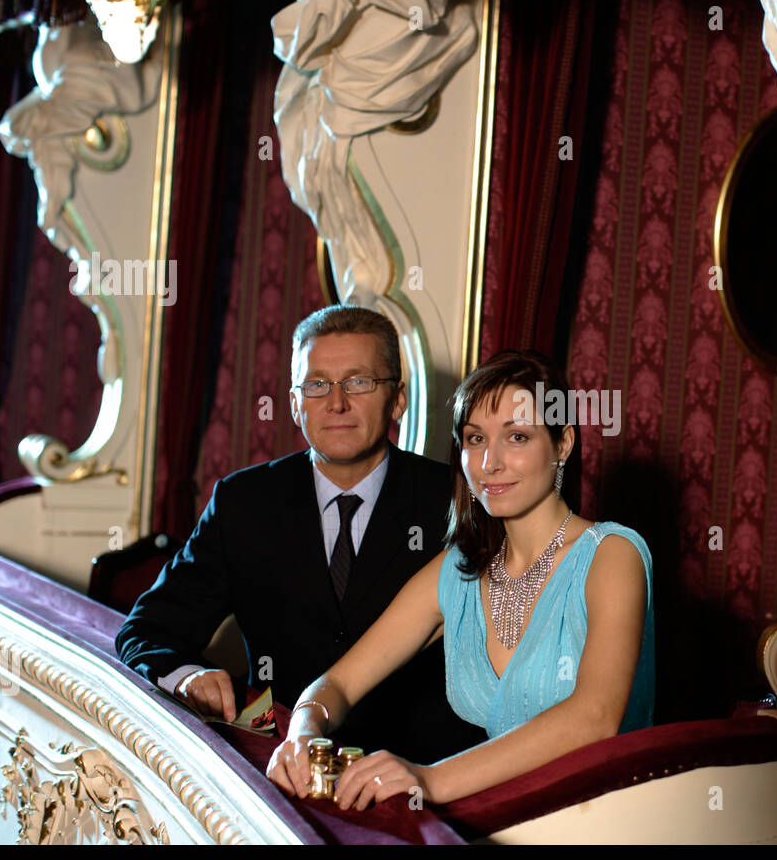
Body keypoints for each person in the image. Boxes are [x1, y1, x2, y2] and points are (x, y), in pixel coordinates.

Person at [266, 350, 655, 809]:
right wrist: (303, 731)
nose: (490, 462)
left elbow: (595, 717)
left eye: (516, 437)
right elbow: (339, 685)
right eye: (475, 438)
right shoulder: (459, 570)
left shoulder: (613, 554)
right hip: (506, 818)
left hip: (608, 821)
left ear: (563, 444)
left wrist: (429, 779)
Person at [115, 306, 485, 763]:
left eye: (359, 382)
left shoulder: (460, 499)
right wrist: (188, 677)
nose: (337, 402)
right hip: (281, 769)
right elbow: (147, 629)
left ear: (398, 399)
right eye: (317, 385)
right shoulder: (243, 503)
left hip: (420, 777)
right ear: (294, 404)